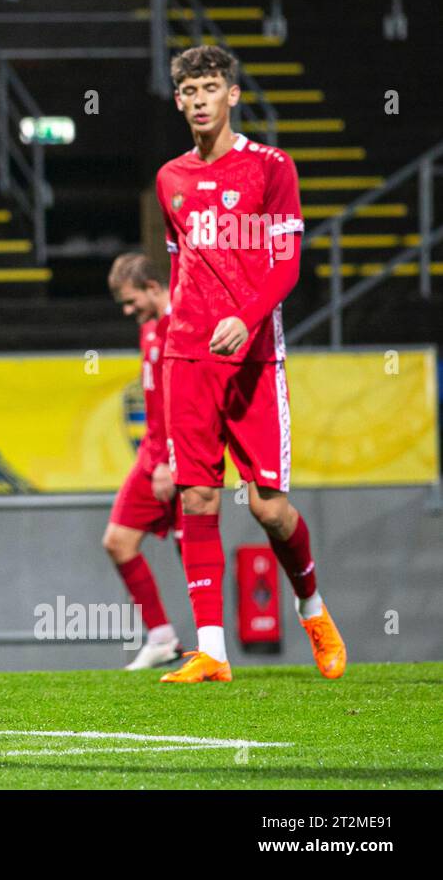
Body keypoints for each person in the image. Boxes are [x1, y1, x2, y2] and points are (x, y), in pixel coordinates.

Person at [154, 45, 346, 683]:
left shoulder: (271, 167)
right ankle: (211, 650)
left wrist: (248, 314)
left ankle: (312, 609)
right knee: (199, 498)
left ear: (232, 94)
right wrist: (178, 324)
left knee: (268, 508)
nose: (201, 99)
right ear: (178, 100)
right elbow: (181, 262)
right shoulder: (169, 178)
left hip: (255, 356)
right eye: (190, 90)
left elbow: (288, 265)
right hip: (188, 355)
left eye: (212, 87)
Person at [103, 253, 183, 669]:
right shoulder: (151, 330)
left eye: (132, 300)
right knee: (117, 541)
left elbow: (183, 404)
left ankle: (211, 647)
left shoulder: (183, 328)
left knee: (194, 549)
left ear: (154, 287)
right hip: (153, 456)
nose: (128, 311)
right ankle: (162, 636)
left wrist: (171, 461)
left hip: (183, 455)